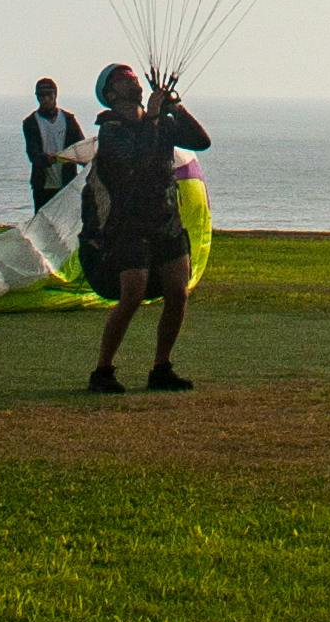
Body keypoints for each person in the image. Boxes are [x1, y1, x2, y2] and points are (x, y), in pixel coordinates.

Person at [81, 62, 210, 395]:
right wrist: (153, 117)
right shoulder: (111, 131)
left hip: (165, 218)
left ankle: (161, 367)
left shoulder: (161, 124)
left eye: (133, 77)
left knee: (178, 292)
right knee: (132, 295)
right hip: (128, 223)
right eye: (124, 80)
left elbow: (201, 141)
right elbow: (135, 161)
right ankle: (103, 370)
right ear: (111, 95)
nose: (134, 81)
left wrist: (175, 108)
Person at [22, 77, 84, 208]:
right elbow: (32, 153)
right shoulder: (30, 123)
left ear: (55, 95)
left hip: (67, 183)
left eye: (48, 95)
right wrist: (46, 159)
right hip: (42, 185)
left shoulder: (68, 120)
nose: (45, 99)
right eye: (41, 96)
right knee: (42, 224)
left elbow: (80, 147)